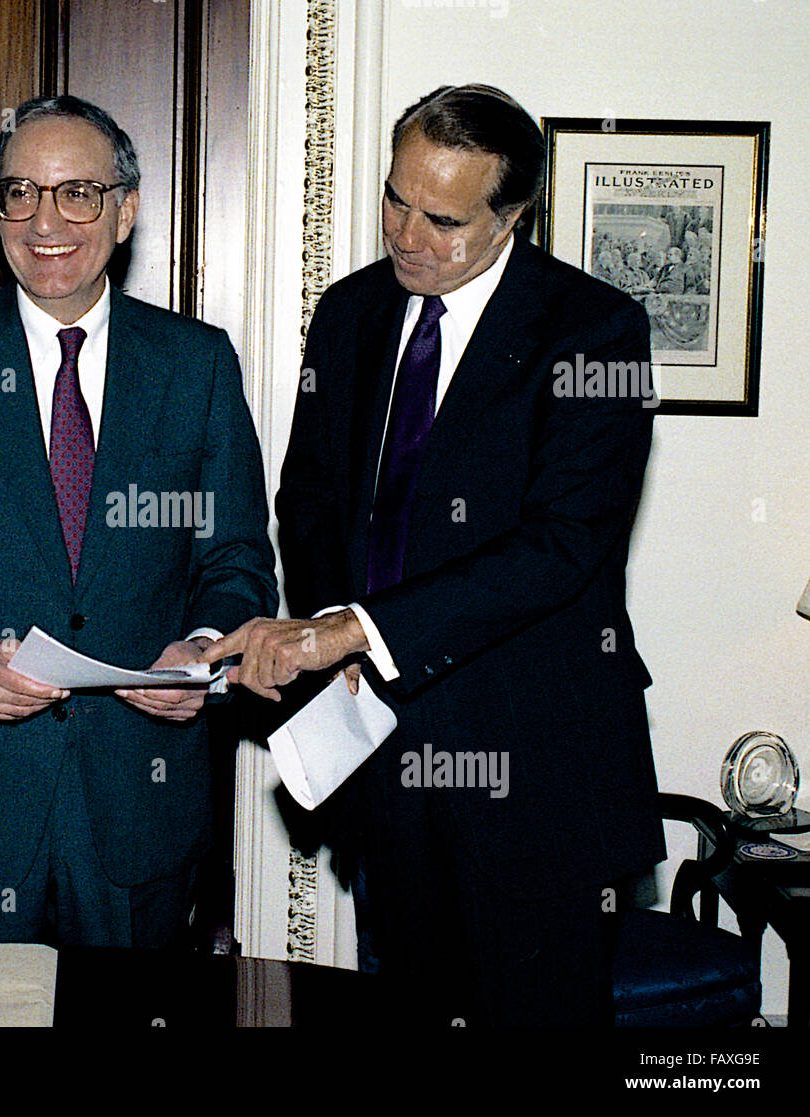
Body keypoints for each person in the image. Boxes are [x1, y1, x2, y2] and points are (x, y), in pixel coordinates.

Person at [203, 84, 664, 1026]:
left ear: (512, 217)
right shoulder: (350, 313)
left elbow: (561, 547)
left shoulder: (594, 330)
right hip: (385, 769)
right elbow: (312, 500)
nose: (408, 235)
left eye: (444, 218)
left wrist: (353, 630)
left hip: (536, 781)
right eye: (395, 199)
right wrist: (327, 651)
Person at [0, 95, 277, 949]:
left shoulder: (196, 364)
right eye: (20, 193)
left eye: (77, 193)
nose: (46, 221)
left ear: (126, 209)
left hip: (138, 809)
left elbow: (237, 558)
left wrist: (202, 653)